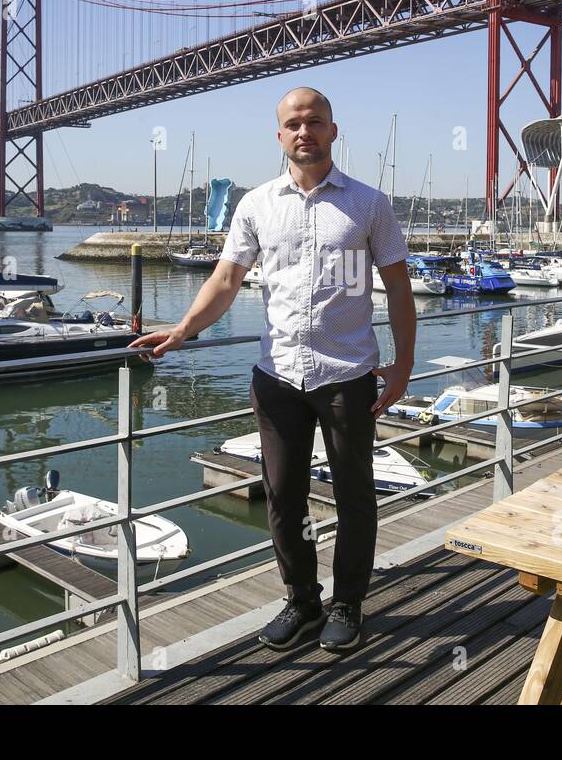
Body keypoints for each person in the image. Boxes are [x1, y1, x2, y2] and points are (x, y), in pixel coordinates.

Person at [129, 87, 416, 653]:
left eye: (315, 122)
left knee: (355, 495)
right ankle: (303, 600)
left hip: (347, 373)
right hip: (278, 375)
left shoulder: (369, 204)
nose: (304, 131)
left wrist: (404, 362)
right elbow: (226, 281)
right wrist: (184, 329)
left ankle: (349, 602)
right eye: (293, 123)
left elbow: (399, 289)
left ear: (334, 131)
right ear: (279, 135)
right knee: (283, 494)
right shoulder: (256, 204)